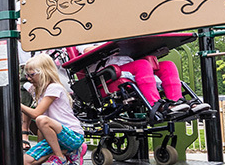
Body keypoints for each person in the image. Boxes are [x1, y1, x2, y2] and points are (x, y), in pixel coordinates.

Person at [77, 44, 207, 120]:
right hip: (106, 74)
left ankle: (177, 102)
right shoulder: (86, 34)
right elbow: (86, 51)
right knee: (142, 65)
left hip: (128, 65)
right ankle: (157, 106)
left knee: (168, 65)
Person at [20, 54, 87, 165]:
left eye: (32, 75)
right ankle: (66, 152)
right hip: (54, 138)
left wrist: (18, 105)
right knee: (25, 162)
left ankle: (60, 158)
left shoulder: (54, 88)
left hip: (72, 135)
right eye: (27, 75)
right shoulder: (39, 91)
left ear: (44, 73)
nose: (29, 78)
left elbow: (36, 114)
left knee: (41, 120)